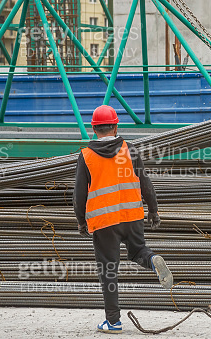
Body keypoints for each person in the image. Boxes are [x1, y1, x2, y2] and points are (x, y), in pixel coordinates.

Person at [73, 105, 173, 334]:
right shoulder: (130, 150)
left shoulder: (86, 156)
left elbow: (78, 195)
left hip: (104, 223)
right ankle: (153, 258)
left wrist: (81, 221)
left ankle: (113, 322)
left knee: (108, 270)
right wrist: (154, 211)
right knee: (138, 251)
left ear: (93, 128)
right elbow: (145, 183)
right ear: (116, 126)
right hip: (133, 216)